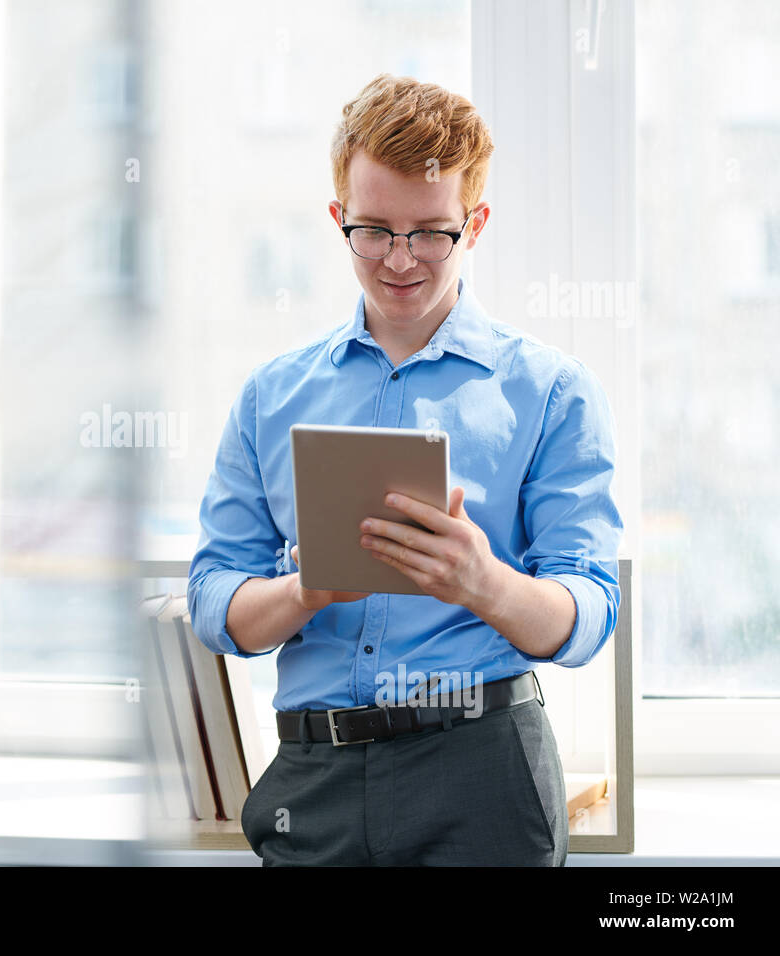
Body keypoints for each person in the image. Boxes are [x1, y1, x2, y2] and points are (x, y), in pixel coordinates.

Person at [186, 73, 624, 866]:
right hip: (311, 778)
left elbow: (589, 613)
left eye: (430, 232)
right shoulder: (271, 395)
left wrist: (482, 582)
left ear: (475, 224)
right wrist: (308, 589)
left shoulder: (552, 391)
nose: (399, 259)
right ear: (338, 220)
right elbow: (215, 600)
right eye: (374, 230)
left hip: (480, 774)